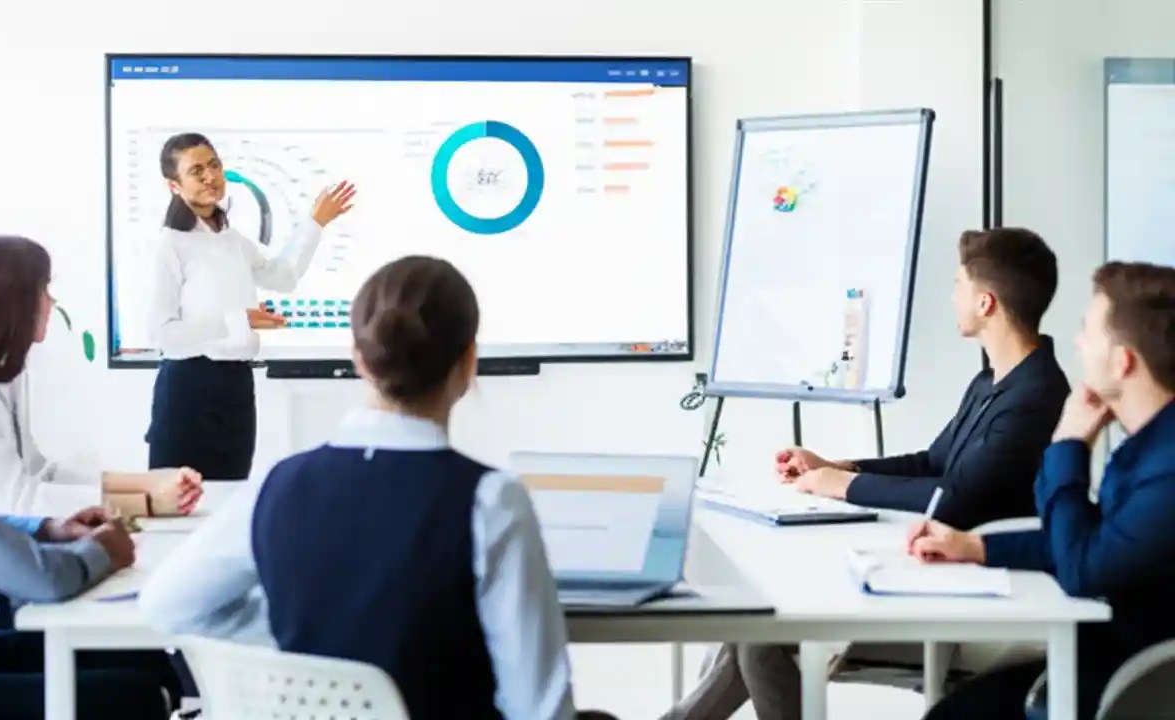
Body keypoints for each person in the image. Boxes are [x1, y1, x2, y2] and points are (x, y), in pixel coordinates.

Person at [140, 256, 615, 720]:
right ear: (469, 360)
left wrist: (304, 643)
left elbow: (167, 605)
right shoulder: (491, 501)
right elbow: (540, 709)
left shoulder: (276, 486)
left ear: (359, 360)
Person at [667, 227, 1070, 720]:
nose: (952, 295)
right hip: (939, 573)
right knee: (753, 631)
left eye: (958, 284)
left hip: (981, 600)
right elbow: (933, 462)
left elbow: (957, 497)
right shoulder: (992, 380)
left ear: (985, 303)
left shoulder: (1036, 394)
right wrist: (840, 466)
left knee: (760, 644)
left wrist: (842, 487)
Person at [0, 251, 177, 719]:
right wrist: (102, 551)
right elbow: (38, 579)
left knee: (142, 659)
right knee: (133, 696)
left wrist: (45, 529)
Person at [911, 261, 1175, 720]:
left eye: (1087, 332)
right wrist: (974, 546)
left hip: (1143, 682)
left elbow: (1082, 566)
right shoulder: (1152, 447)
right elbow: (1095, 541)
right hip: (1120, 656)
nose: (1076, 343)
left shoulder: (1168, 470)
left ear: (1123, 361)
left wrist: (1069, 444)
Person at [0, 234, 202, 521]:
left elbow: (40, 472)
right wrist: (146, 503)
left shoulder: (4, 372)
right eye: (42, 290)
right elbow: (14, 501)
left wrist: (147, 481)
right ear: (14, 302)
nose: (51, 301)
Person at [146, 132, 356, 480]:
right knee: (176, 504)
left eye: (214, 165)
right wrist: (236, 320)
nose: (210, 176)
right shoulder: (170, 244)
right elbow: (162, 333)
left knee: (229, 496)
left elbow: (283, 277)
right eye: (196, 171)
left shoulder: (231, 240)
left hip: (236, 387)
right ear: (174, 185)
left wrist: (315, 222)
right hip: (188, 391)